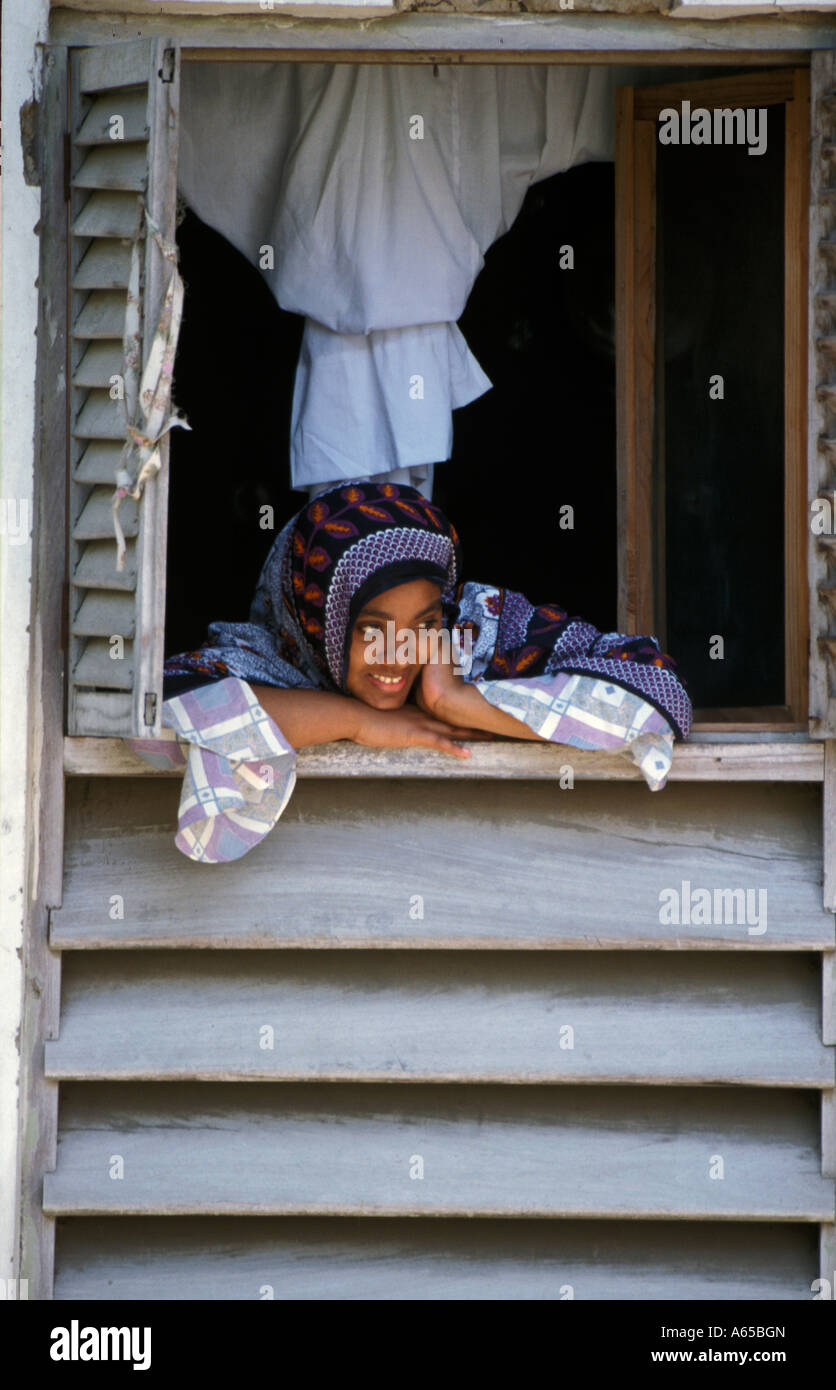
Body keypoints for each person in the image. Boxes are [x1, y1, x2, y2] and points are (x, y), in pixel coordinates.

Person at [137, 481, 692, 862]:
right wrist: (357, 722)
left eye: (423, 624)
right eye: (370, 629)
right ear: (317, 620)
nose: (398, 654)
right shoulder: (275, 658)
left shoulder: (478, 632)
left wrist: (454, 700)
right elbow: (155, 710)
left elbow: (658, 692)